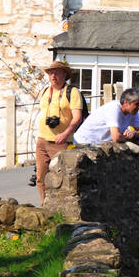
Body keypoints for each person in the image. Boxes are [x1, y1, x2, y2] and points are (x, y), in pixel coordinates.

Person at [34, 60, 85, 203]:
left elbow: (77, 117)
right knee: (40, 177)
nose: (53, 75)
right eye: (51, 72)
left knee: (61, 179)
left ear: (65, 75)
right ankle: (45, 206)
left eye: (57, 72)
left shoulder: (72, 92)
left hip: (60, 142)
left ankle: (60, 208)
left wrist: (65, 133)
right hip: (42, 140)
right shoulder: (45, 91)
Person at [75, 88, 139, 146]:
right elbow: (116, 137)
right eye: (137, 104)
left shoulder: (132, 112)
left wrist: (134, 134)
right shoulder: (113, 108)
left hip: (99, 144)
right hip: (83, 142)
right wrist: (126, 137)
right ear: (126, 102)